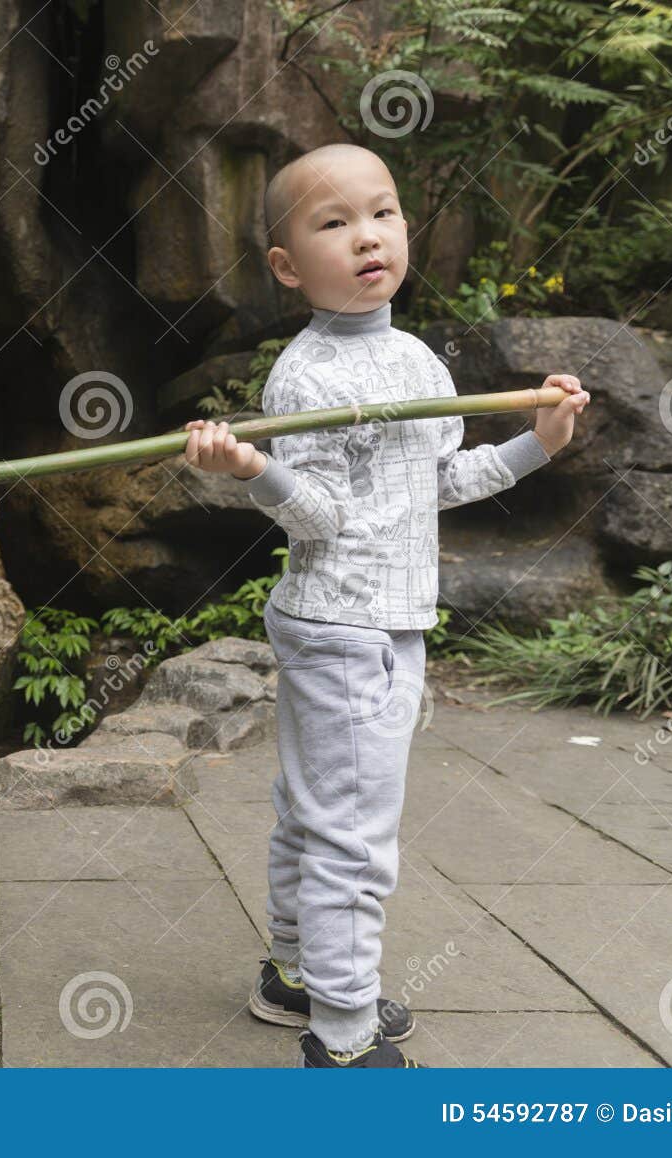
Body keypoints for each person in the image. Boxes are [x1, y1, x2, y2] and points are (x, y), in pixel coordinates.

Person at [182, 142, 590, 1068]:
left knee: (313, 812)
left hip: (381, 621)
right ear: (288, 267)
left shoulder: (417, 361)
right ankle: (343, 1035)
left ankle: (294, 977)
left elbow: (438, 481)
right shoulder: (306, 378)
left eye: (383, 213)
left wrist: (540, 443)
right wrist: (255, 468)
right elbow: (321, 518)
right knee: (351, 838)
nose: (367, 237)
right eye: (334, 224)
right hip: (345, 629)